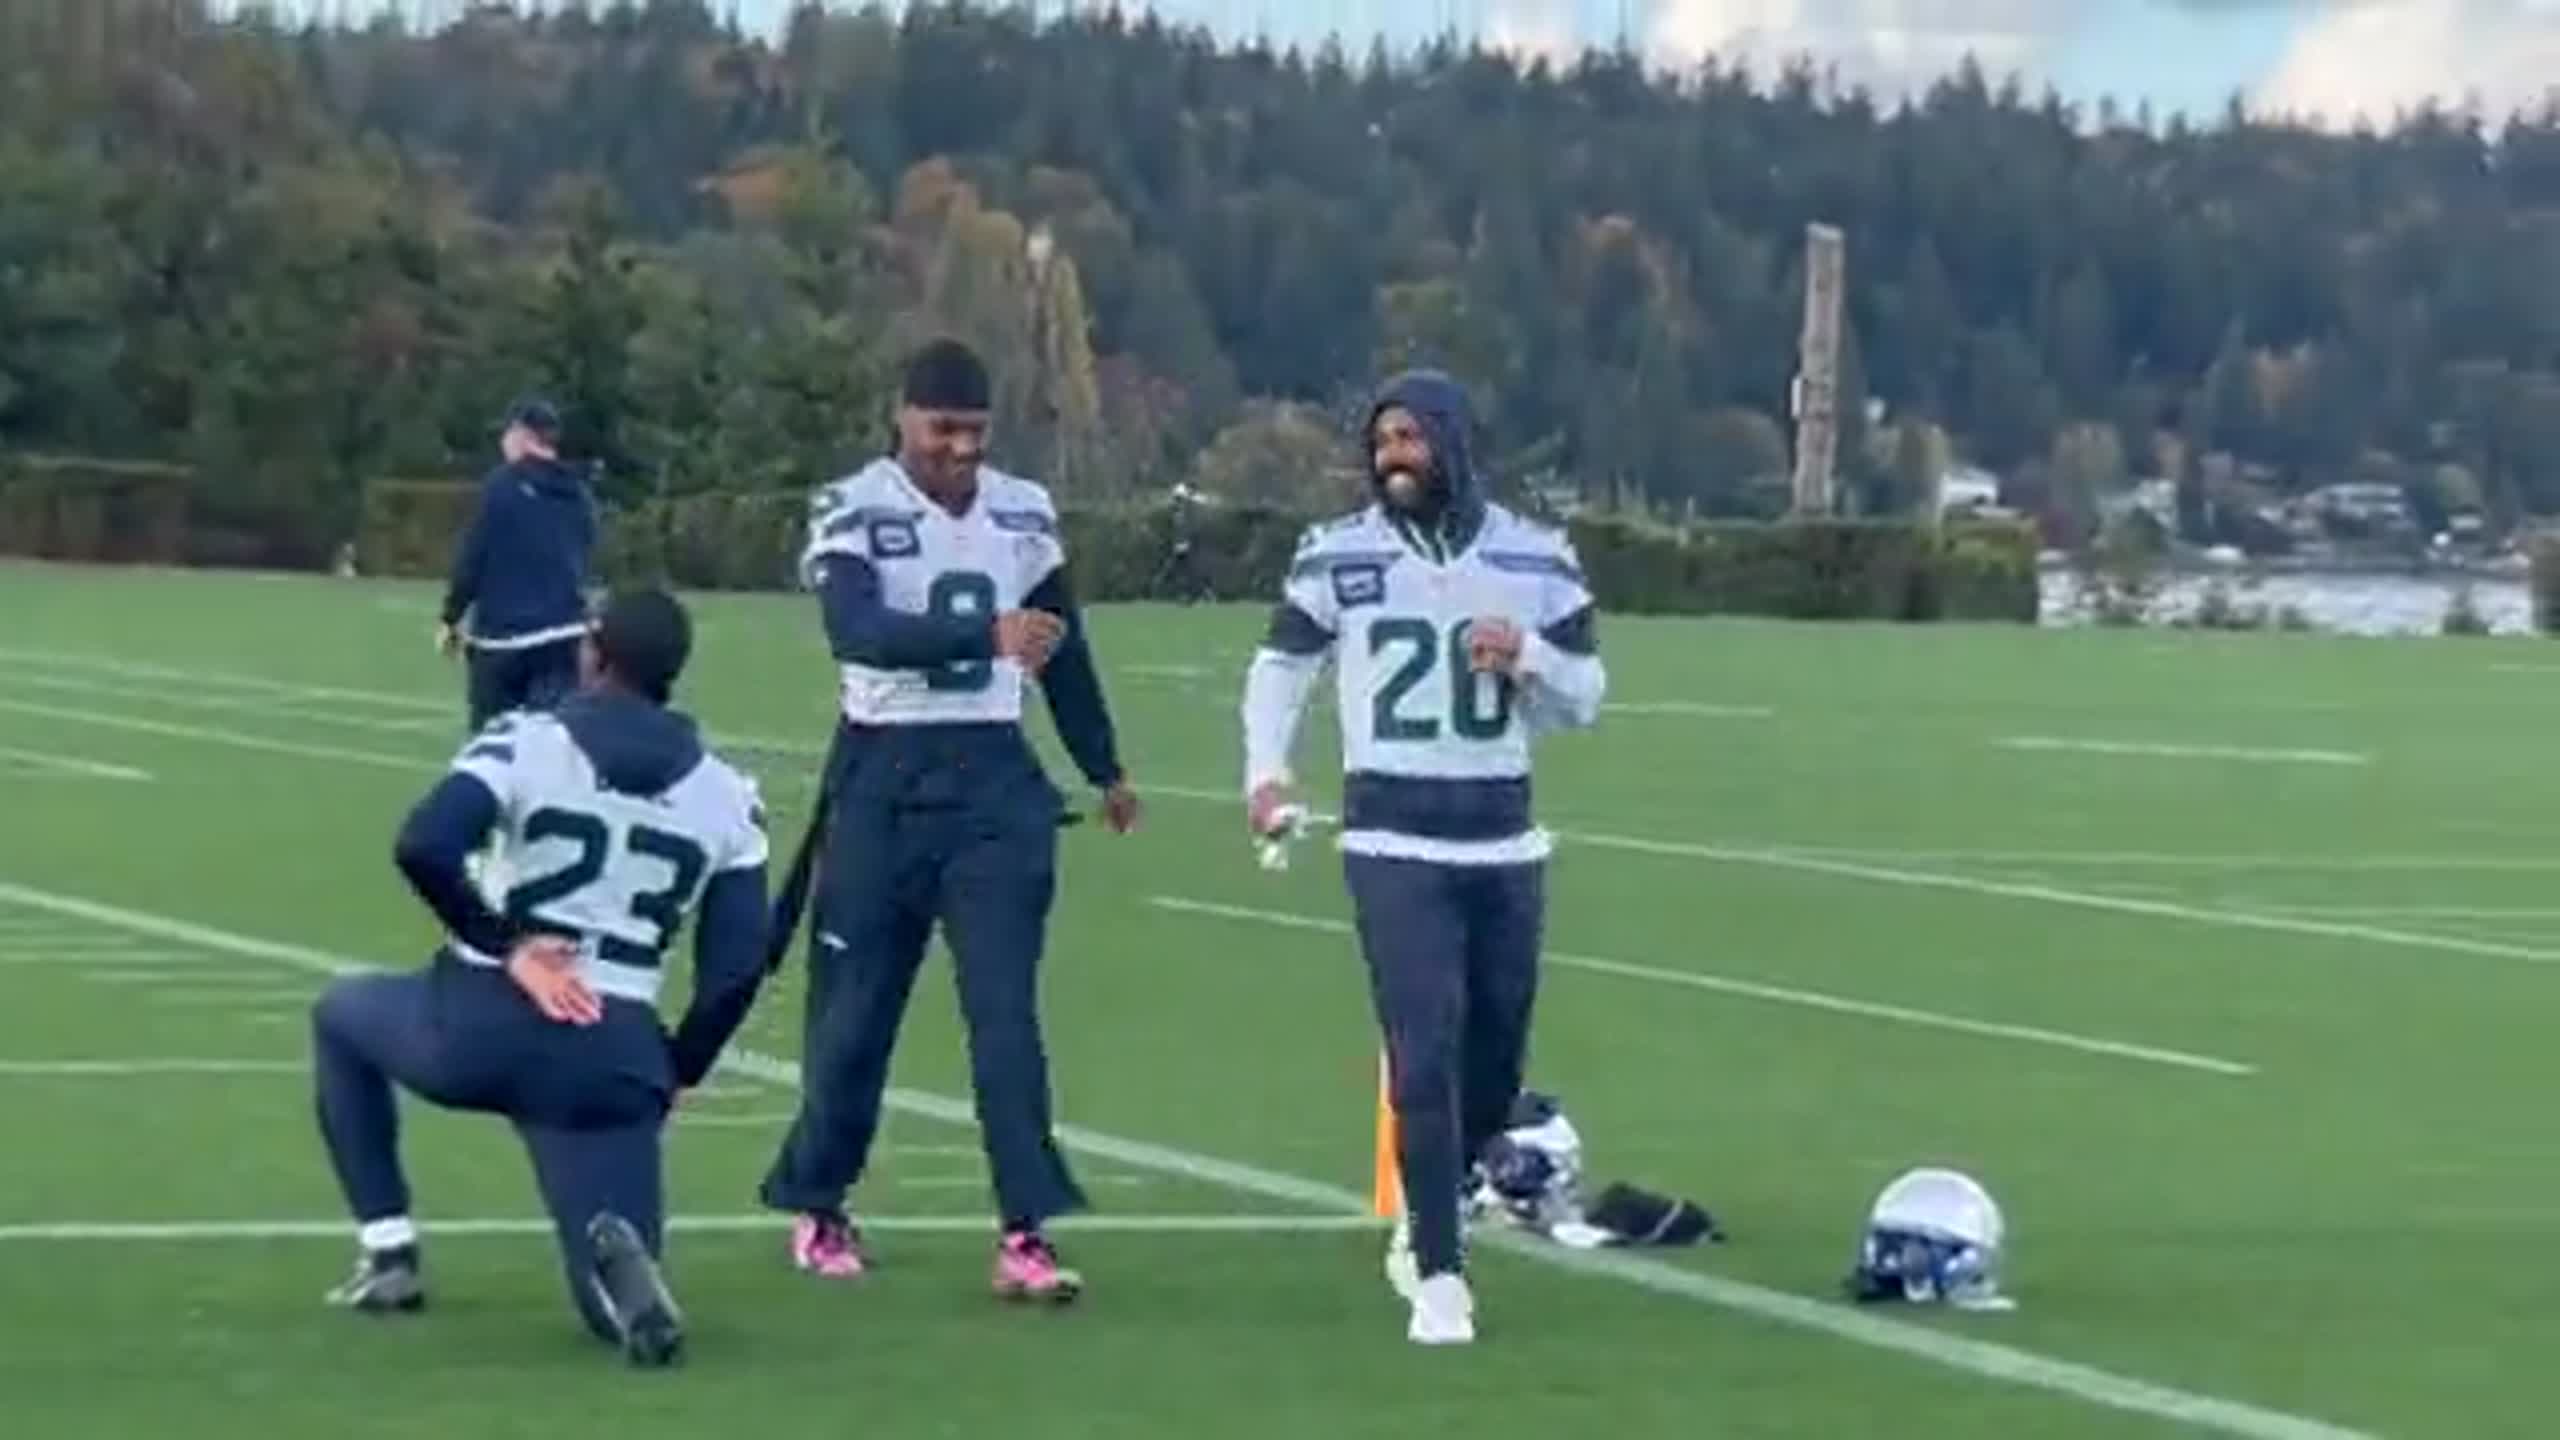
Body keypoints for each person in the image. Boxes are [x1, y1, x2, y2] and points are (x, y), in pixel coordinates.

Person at [757, 337, 1141, 1302]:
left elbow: (1063, 641)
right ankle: (821, 1202)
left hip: (994, 786)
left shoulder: (1023, 511)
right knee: (855, 1013)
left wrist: (1103, 764)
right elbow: (860, 633)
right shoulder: (856, 508)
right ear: (903, 419)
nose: (960, 450)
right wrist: (985, 633)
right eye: (942, 430)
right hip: (883, 778)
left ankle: (1026, 1231)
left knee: (1005, 1011)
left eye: (974, 431)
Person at [310, 587, 772, 1368]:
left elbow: (424, 844)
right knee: (609, 1304)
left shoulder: (527, 740)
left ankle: (389, 1252)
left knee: (341, 1015)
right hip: (611, 1049)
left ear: (595, 652)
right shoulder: (728, 795)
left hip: (481, 1019)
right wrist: (676, 1069)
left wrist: (510, 946)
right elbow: (733, 969)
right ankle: (613, 1269)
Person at [1237, 368, 1605, 1345]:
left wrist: (1526, 656)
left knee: (1490, 1070)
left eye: (1410, 437)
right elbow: (1281, 669)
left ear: (1451, 440)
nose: (1392, 455)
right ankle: (1438, 1269)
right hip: (1390, 836)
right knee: (1423, 1043)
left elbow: (1585, 697)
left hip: (1503, 836)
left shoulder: (1533, 556)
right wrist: (1264, 773)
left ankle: (1448, 1192)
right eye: (1381, 439)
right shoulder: (1337, 553)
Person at [437, 397, 598, 731]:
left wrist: (451, 617)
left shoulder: (502, 486)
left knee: (494, 751)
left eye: (507, 434)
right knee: (552, 744)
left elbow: (474, 556)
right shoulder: (580, 495)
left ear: (523, 436)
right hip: (566, 637)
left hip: (505, 643)